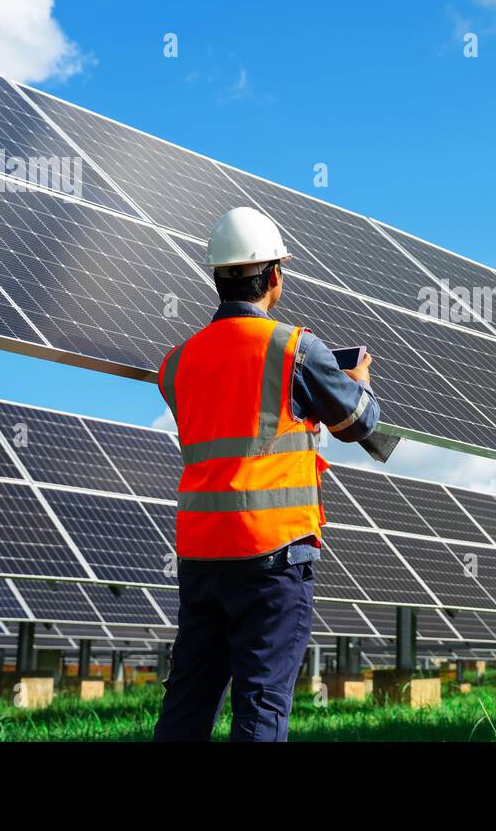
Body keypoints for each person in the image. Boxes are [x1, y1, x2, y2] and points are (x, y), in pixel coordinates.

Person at [153, 206, 378, 742]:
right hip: (272, 554)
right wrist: (360, 381)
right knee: (261, 702)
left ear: (216, 276)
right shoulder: (294, 347)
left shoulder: (177, 362)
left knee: (189, 696)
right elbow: (357, 422)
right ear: (275, 275)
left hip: (202, 553)